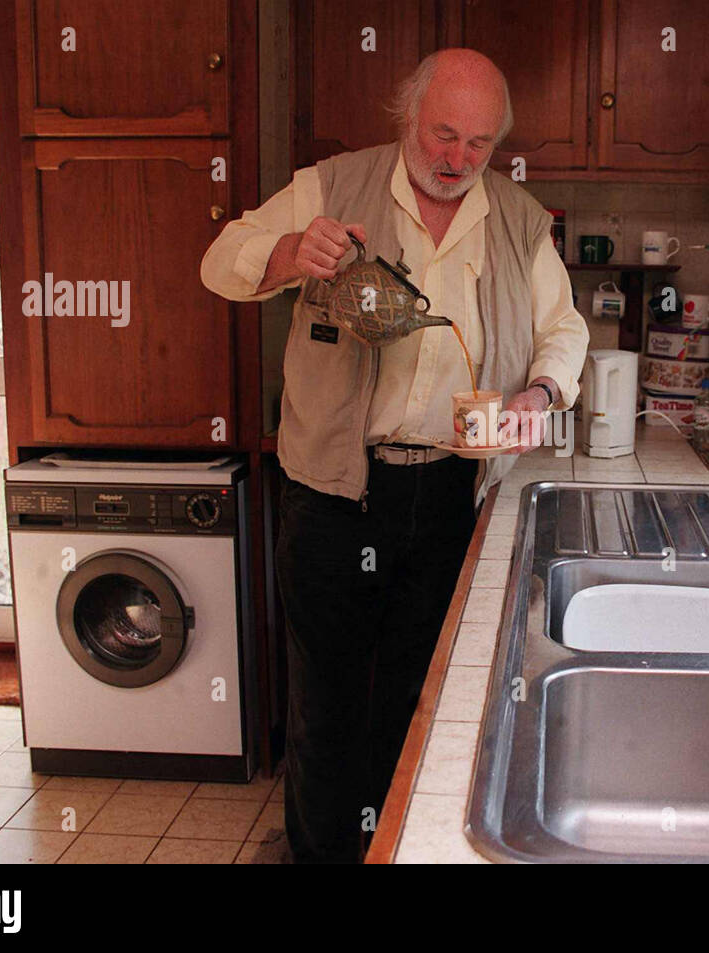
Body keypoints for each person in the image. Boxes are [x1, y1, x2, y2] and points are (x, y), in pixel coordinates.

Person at [200, 48, 588, 863]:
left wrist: (542, 395)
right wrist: (286, 255)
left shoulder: (518, 221)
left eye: (478, 143)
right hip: (335, 493)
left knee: (424, 699)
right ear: (409, 118)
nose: (456, 159)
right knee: (328, 706)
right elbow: (220, 262)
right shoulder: (333, 186)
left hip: (450, 493)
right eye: (443, 135)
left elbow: (565, 331)